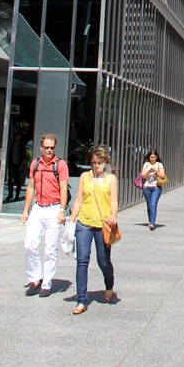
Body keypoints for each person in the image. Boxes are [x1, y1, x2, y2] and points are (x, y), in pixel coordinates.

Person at [69, 145, 118, 314]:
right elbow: (78, 199)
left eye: (99, 163)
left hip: (102, 225)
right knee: (82, 260)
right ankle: (81, 300)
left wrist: (113, 215)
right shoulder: (84, 177)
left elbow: (113, 201)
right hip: (84, 222)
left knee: (103, 261)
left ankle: (109, 285)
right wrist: (71, 220)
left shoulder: (111, 179)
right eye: (93, 163)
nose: (96, 166)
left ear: (105, 162)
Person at [22, 133, 69, 294]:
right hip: (38, 207)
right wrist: (25, 210)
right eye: (46, 147)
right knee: (29, 244)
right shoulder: (35, 164)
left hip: (54, 208)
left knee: (50, 248)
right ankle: (35, 277)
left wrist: (62, 211)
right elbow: (31, 187)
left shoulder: (60, 165)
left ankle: (46, 283)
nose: (49, 150)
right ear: (41, 148)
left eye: (52, 148)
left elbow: (64, 188)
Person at [140, 149, 166, 229]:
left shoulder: (159, 164)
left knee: (153, 204)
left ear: (156, 157)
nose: (152, 159)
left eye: (154, 157)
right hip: (147, 187)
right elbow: (143, 176)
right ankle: (150, 220)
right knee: (149, 205)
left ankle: (152, 223)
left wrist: (156, 171)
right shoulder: (146, 164)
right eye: (151, 157)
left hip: (156, 187)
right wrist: (148, 171)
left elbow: (162, 176)